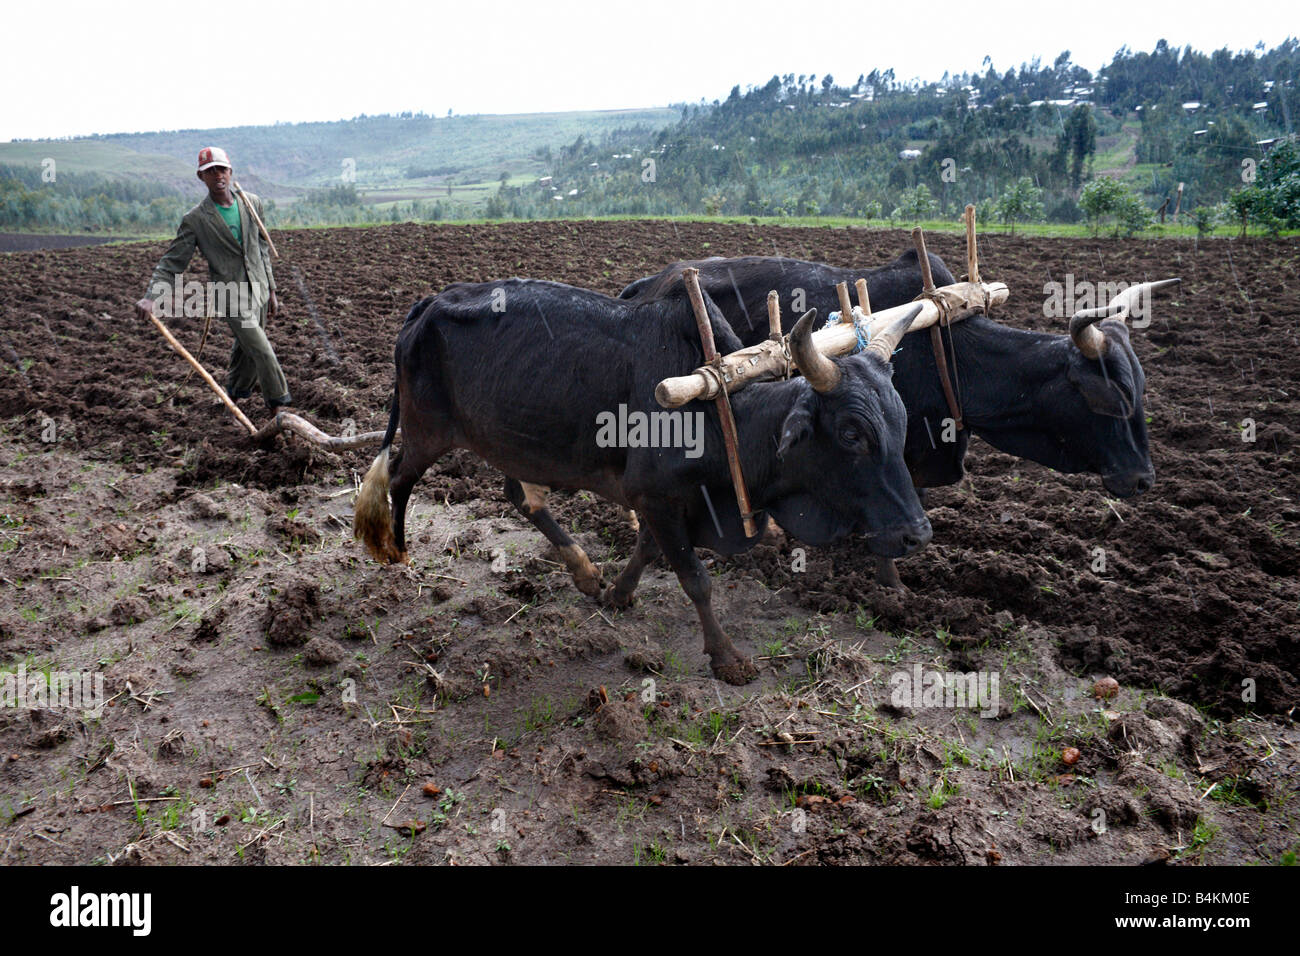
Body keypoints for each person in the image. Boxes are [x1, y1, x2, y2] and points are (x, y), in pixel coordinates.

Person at [135, 146, 291, 410]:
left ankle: (235, 395)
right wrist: (151, 297)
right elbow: (172, 262)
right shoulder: (195, 220)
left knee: (247, 349)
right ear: (201, 177)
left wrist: (272, 290)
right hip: (230, 295)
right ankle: (280, 404)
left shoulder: (251, 203)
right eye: (210, 171)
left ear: (230, 171)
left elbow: (262, 248)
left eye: (221, 169)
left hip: (260, 290)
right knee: (261, 348)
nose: (217, 175)